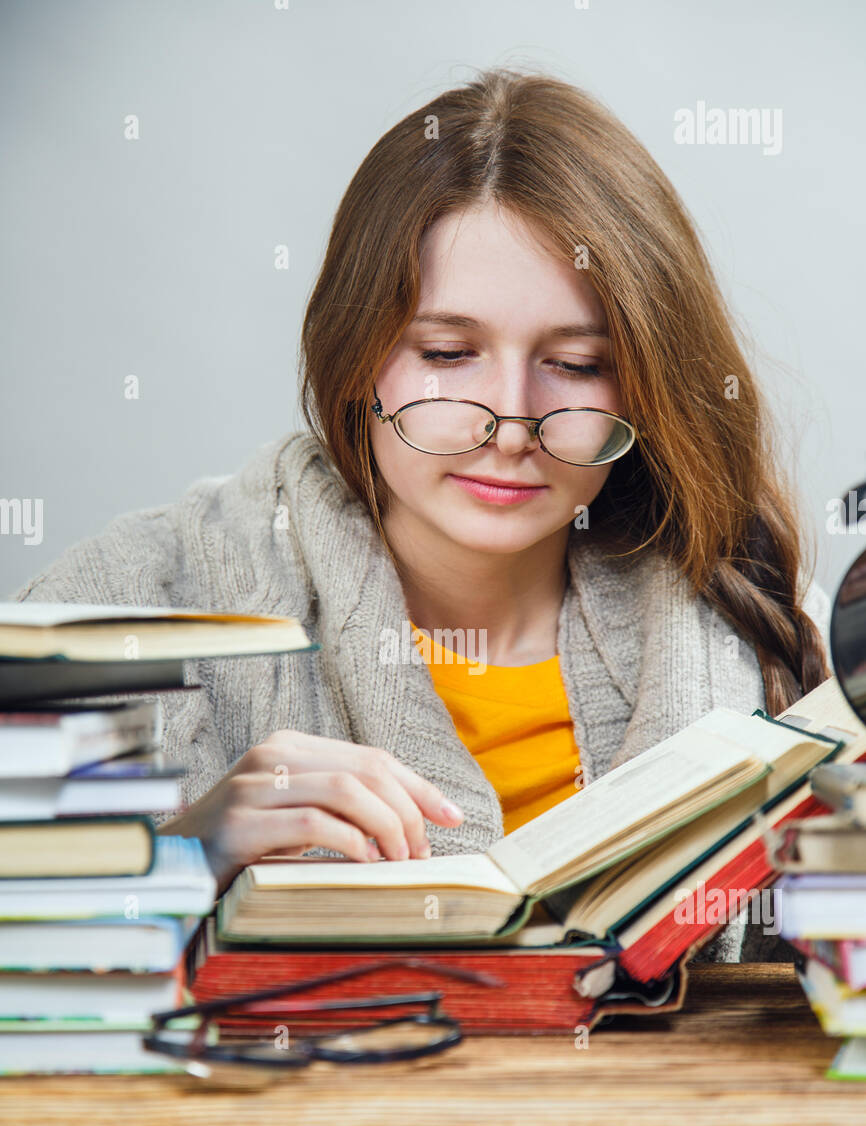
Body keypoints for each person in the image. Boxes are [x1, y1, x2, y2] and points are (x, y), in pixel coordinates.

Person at [12, 68, 831, 962]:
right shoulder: (126, 605)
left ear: (643, 383)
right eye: (448, 352)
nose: (511, 424)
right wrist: (186, 851)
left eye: (578, 364)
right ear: (358, 356)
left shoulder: (762, 625)